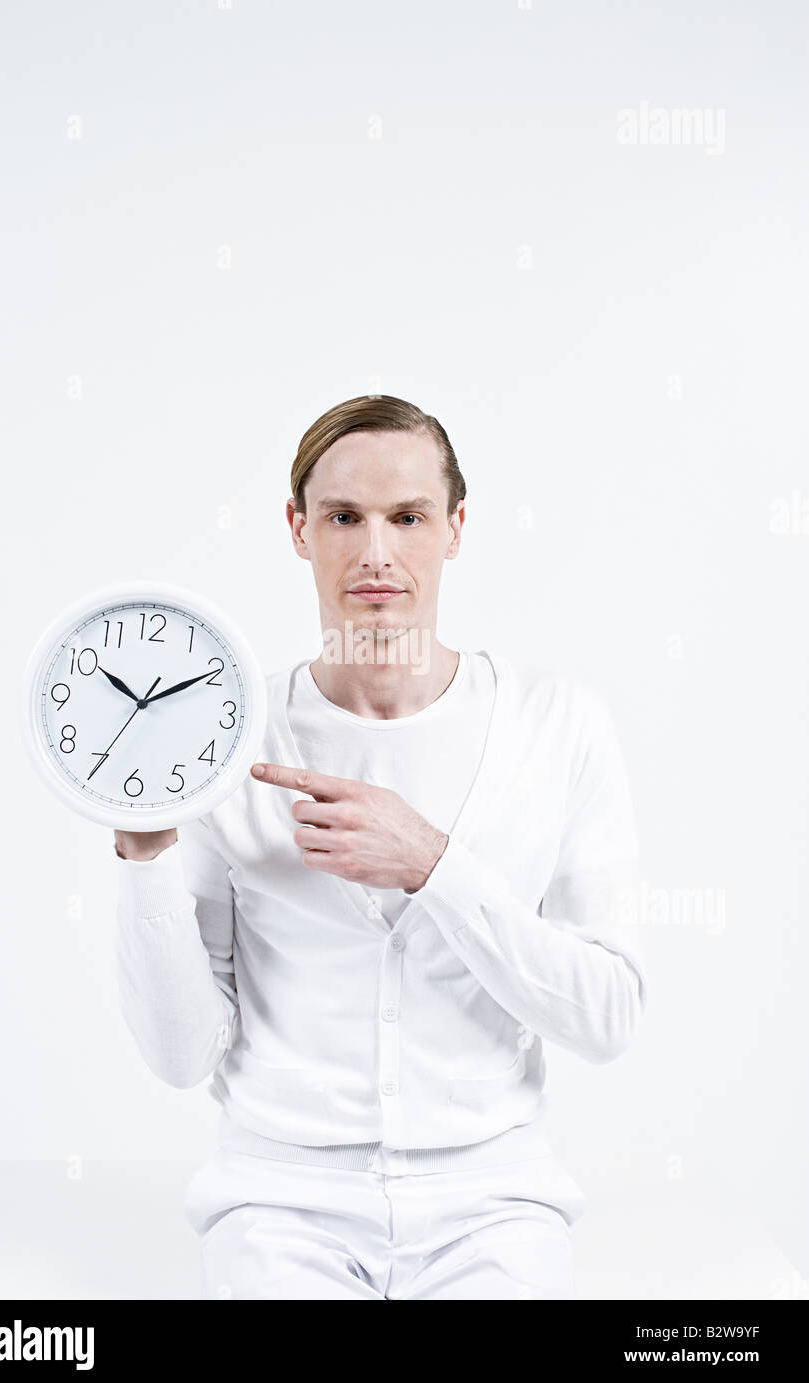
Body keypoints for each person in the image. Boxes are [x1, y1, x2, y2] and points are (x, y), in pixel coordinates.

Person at [113, 394, 647, 1300]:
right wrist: (144, 854)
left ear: (455, 528)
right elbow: (180, 1054)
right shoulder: (226, 741)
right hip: (279, 1202)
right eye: (344, 517)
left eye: (407, 517)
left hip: (495, 1202)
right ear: (297, 528)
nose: (375, 554)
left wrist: (433, 863)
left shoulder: (557, 726)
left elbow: (607, 1018)